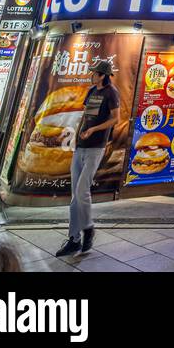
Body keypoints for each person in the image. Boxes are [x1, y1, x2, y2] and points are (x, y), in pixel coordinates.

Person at [56, 59, 121, 258]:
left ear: (102, 75)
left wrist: (94, 129)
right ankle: (74, 239)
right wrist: (75, 134)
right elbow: (85, 115)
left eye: (94, 73)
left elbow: (116, 118)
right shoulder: (92, 91)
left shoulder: (111, 93)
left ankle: (89, 229)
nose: (91, 75)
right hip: (81, 146)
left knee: (83, 190)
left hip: (96, 147)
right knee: (75, 195)